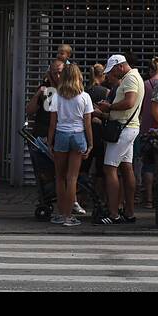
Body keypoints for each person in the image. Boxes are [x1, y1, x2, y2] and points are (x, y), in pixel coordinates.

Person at [95, 54, 143, 224]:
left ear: (120, 66)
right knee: (126, 168)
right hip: (129, 126)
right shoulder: (135, 76)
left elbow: (129, 102)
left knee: (109, 169)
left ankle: (113, 213)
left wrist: (109, 106)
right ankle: (129, 212)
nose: (112, 75)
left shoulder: (130, 79)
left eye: (113, 71)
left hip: (123, 128)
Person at [47, 63, 94, 226]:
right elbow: (87, 123)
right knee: (72, 177)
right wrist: (90, 143)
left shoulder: (55, 96)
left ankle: (61, 213)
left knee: (59, 177)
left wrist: (49, 141)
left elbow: (52, 123)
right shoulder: (85, 97)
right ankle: (69, 216)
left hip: (61, 134)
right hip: (78, 134)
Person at [139, 56, 158, 209]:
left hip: (146, 128)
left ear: (149, 70)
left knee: (147, 165)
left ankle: (148, 199)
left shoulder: (145, 85)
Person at [28, 58, 65, 140]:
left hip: (61, 134)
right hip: (42, 132)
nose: (58, 76)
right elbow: (30, 110)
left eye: (60, 73)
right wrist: (37, 95)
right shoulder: (45, 87)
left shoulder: (69, 90)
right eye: (54, 74)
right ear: (50, 74)